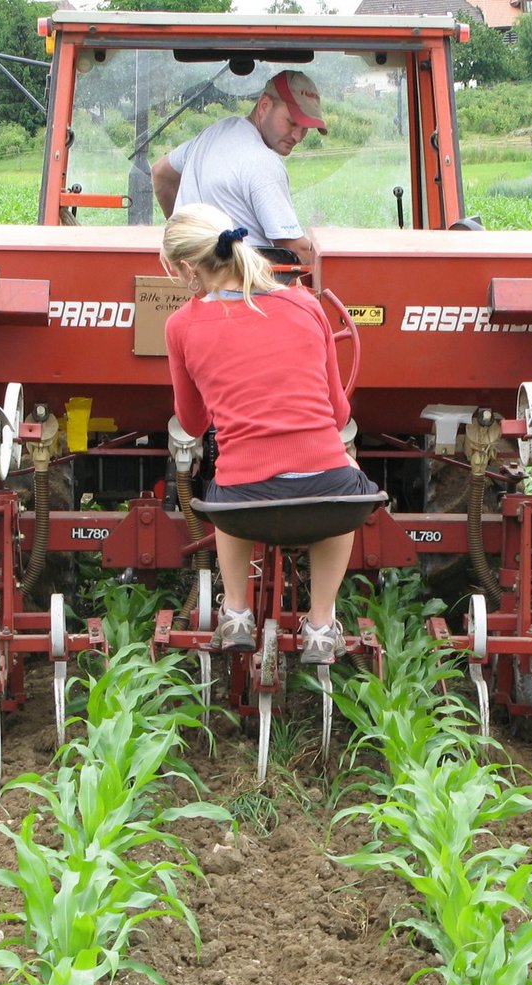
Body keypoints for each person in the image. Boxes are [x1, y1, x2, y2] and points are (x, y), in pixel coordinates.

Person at [161, 203, 377, 666]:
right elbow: (339, 414)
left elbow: (194, 424)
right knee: (343, 468)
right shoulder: (303, 303)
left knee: (230, 472)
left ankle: (236, 613)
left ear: (186, 269)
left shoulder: (181, 326)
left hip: (245, 510)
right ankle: (321, 624)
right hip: (332, 504)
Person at [151, 70, 326, 263]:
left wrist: (184, 234)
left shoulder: (212, 135)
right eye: (292, 122)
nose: (298, 137)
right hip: (245, 286)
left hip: (194, 276)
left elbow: (160, 173)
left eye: (305, 128)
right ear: (264, 106)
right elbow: (296, 249)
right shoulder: (263, 161)